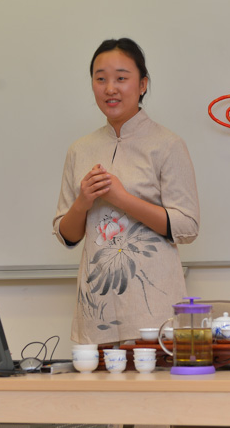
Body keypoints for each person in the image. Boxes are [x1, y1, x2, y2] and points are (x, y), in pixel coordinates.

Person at [53, 38, 200, 345]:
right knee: (95, 393)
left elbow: (187, 227)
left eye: (121, 78)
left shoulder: (167, 144)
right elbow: (66, 235)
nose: (110, 88)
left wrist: (122, 199)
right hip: (96, 311)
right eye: (100, 78)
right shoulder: (80, 149)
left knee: (156, 392)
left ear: (142, 84)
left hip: (154, 310)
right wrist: (82, 202)